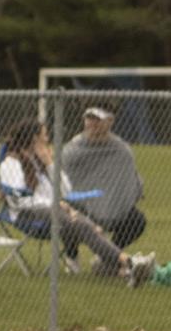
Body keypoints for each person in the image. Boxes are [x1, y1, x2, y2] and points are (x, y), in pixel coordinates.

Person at [0, 118, 154, 285]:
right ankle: (129, 264)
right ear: (34, 138)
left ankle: (124, 267)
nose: (47, 139)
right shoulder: (12, 162)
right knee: (80, 224)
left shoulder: (39, 162)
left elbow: (65, 191)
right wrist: (54, 204)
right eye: (44, 135)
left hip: (49, 210)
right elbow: (19, 200)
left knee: (84, 224)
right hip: (25, 214)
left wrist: (50, 163)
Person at [59, 106, 148, 247]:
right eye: (89, 118)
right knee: (65, 214)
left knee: (137, 220)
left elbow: (131, 178)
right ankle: (72, 257)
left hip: (113, 208)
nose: (92, 123)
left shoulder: (121, 150)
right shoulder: (72, 150)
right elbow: (61, 185)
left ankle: (110, 255)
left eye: (98, 119)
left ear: (110, 121)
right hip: (81, 207)